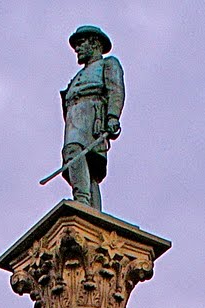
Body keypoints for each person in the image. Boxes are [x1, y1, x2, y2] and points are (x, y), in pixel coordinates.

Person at [60, 25, 124, 211]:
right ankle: (92, 208)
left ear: (94, 43)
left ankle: (81, 199)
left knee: (74, 151)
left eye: (81, 44)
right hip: (75, 117)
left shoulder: (108, 64)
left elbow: (115, 89)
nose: (77, 49)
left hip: (92, 115)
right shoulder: (78, 76)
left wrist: (112, 117)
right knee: (85, 165)